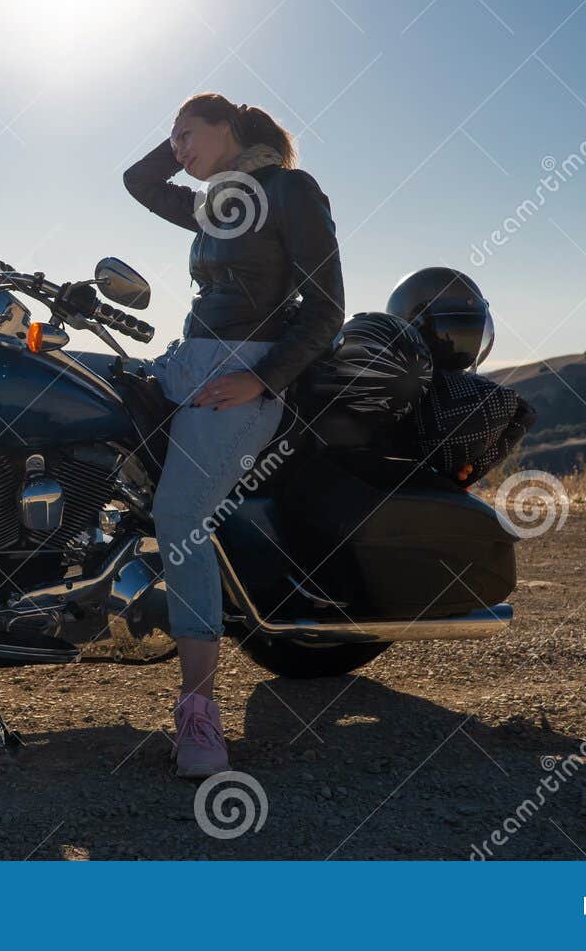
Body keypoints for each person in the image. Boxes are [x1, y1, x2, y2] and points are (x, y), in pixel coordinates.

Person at [123, 93, 345, 776]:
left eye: (189, 133)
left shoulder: (288, 190)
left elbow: (327, 308)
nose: (178, 149)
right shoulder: (216, 205)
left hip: (244, 375)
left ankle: (199, 712)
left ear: (229, 127)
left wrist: (263, 380)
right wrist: (185, 149)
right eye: (173, 138)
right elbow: (139, 181)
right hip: (187, 363)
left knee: (180, 514)